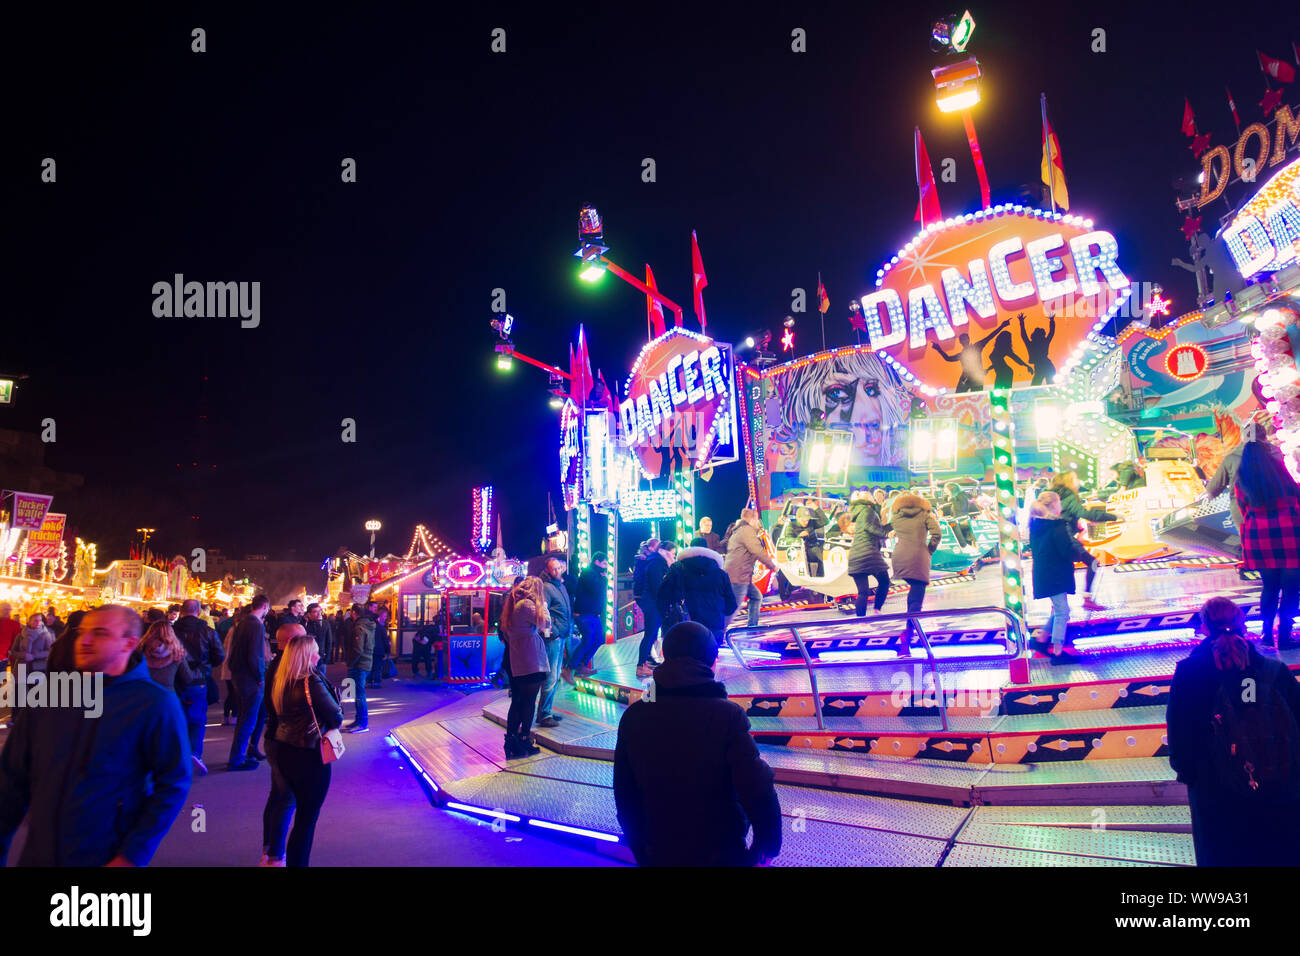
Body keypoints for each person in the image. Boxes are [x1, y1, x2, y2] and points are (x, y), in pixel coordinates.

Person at [0, 605, 191, 866]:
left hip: (105, 855)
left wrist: (133, 854)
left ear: (129, 643)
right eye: (83, 632)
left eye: (100, 634)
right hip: (40, 854)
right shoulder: (50, 696)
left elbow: (174, 782)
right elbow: (10, 781)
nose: (85, 641)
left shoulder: (154, 703)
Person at [613, 621, 782, 867]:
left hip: (659, 850)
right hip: (721, 851)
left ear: (665, 657)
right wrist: (765, 849)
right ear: (712, 663)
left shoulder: (635, 715)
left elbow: (625, 794)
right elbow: (758, 788)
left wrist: (642, 850)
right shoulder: (727, 716)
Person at [1167, 596, 1300, 865]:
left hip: (1215, 788)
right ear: (1244, 624)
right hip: (1278, 784)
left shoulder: (1189, 672)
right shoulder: (1273, 670)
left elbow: (1180, 731)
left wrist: (1188, 772)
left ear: (1204, 628)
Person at [263, 628, 343, 866]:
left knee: (282, 802)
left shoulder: (281, 679)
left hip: (284, 750)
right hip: (310, 755)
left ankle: (272, 854)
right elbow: (336, 716)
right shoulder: (311, 681)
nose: (319, 657)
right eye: (315, 653)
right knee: (306, 820)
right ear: (307, 656)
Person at [1236, 439, 1300, 649]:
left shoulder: (1243, 480)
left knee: (1270, 587)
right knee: (1291, 589)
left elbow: (1243, 509)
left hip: (1259, 536)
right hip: (1289, 532)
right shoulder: (1282, 474)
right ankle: (1284, 636)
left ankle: (1265, 633)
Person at [1027, 493, 1085, 665]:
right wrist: (1082, 554)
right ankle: (1058, 653)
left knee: (1059, 609)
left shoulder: (1037, 526)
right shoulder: (1055, 526)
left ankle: (1042, 638)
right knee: (1063, 612)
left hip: (1045, 573)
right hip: (1056, 573)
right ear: (1053, 505)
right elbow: (1066, 550)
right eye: (1059, 503)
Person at [500, 576, 551, 758]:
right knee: (528, 702)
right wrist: (543, 604)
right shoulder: (527, 605)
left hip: (519, 659)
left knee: (519, 701)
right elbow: (545, 622)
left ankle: (512, 741)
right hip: (530, 660)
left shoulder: (515, 605)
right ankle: (523, 740)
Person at [657, 537, 738, 651]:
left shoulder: (677, 569)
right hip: (713, 631)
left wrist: (666, 618)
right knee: (709, 662)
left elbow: (662, 597)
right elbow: (731, 606)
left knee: (687, 662)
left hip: (685, 628)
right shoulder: (721, 574)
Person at [173, 598, 225, 776]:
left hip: (174, 679)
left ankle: (177, 755)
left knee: (176, 717)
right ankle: (195, 753)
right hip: (199, 678)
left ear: (181, 611)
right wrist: (206, 663)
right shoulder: (207, 631)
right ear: (198, 611)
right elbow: (219, 656)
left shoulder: (171, 630)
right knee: (197, 719)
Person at [1050, 470, 1114, 612]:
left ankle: (1056, 606)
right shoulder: (1070, 495)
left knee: (1063, 569)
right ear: (1068, 481)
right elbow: (1084, 513)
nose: (1078, 481)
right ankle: (1087, 598)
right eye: (1076, 478)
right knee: (1092, 562)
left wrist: (1076, 527)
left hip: (1053, 539)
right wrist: (1112, 516)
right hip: (1066, 538)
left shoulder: (1053, 496)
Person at [889, 493, 942, 653]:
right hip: (918, 556)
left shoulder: (896, 518)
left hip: (899, 556)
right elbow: (937, 534)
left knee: (914, 592)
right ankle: (909, 633)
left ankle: (909, 629)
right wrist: (929, 549)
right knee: (917, 595)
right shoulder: (925, 516)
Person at [227, 594, 271, 770]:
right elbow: (254, 654)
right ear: (265, 606)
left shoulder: (242, 622)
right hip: (249, 677)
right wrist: (260, 676)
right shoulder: (255, 625)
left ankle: (241, 754)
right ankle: (237, 758)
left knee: (247, 716)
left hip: (239, 674)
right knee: (248, 718)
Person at [725, 508, 778, 628]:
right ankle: (719, 631)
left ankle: (752, 626)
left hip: (741, 575)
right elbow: (757, 551)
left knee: (756, 596)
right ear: (752, 519)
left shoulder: (739, 530)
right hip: (738, 576)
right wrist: (773, 566)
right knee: (734, 607)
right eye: (757, 519)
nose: (758, 522)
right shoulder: (747, 531)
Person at [537, 556, 573, 726]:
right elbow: (544, 614)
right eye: (554, 569)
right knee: (551, 677)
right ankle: (544, 715)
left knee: (555, 676)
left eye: (559, 567)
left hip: (562, 636)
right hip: (554, 639)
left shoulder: (562, 586)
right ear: (548, 571)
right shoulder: (546, 588)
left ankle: (547, 711)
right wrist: (555, 632)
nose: (558, 571)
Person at [848, 488, 891, 615]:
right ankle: (877, 609)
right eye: (871, 496)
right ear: (868, 500)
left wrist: (891, 526)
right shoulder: (868, 510)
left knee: (863, 591)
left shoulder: (859, 511)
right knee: (884, 581)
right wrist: (886, 534)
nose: (874, 498)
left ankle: (861, 620)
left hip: (856, 554)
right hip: (868, 554)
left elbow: (873, 527)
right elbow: (869, 527)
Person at [930, 323, 1007, 392]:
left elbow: (990, 336)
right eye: (962, 340)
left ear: (969, 339)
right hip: (965, 379)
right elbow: (948, 358)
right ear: (960, 342)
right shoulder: (962, 354)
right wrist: (938, 349)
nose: (964, 341)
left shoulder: (977, 346)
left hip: (977, 379)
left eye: (965, 338)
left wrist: (1002, 326)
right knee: (959, 397)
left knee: (977, 398)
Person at [633, 540, 671, 678]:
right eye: (671, 553)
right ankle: (640, 665)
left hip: (652, 602)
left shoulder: (654, 562)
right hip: (652, 603)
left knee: (652, 633)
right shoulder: (655, 563)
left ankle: (644, 662)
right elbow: (657, 586)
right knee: (649, 634)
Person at [570, 553, 609, 676]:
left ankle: (582, 665)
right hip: (584, 614)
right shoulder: (588, 573)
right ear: (597, 562)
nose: (605, 566)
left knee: (598, 640)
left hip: (593, 614)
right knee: (588, 641)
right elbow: (596, 590)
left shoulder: (596, 574)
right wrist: (603, 579)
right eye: (604, 563)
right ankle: (570, 668)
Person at [141, 620, 197, 690]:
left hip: (142, 693)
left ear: (150, 632)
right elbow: (188, 678)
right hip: (166, 695)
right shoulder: (177, 653)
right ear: (171, 634)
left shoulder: (141, 649)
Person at [344, 603, 374, 733]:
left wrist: (350, 662)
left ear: (355, 613)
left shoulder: (359, 627)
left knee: (359, 694)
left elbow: (358, 649)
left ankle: (362, 723)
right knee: (357, 693)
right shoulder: (368, 625)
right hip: (366, 663)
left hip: (359, 664)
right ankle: (359, 719)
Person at [1017, 311, 1057, 385]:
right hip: (1045, 365)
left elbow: (1023, 335)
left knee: (1037, 384)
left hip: (1043, 365)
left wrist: (1021, 322)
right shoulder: (1044, 341)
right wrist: (1051, 320)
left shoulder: (1031, 344)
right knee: (1044, 384)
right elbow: (1051, 332)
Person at [791, 506, 826, 577]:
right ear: (798, 518)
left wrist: (816, 508)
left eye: (807, 520)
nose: (806, 522)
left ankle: (820, 577)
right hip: (798, 552)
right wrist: (799, 537)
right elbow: (788, 540)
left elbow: (825, 521)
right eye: (803, 520)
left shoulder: (811, 523)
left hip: (813, 549)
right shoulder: (791, 526)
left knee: (818, 553)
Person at [303, 603, 332, 676]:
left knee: (321, 681)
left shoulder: (325, 624)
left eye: (320, 611)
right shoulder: (305, 624)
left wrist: (327, 658)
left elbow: (328, 641)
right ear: (309, 614)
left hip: (321, 657)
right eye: (315, 611)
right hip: (307, 658)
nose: (319, 614)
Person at [0, 603, 20, 669]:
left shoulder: (14, 624)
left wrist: (12, 653)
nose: (6, 611)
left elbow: (16, 641)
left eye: (8, 609)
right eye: (4, 609)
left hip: (5, 655)